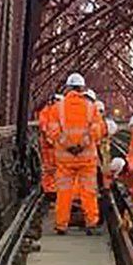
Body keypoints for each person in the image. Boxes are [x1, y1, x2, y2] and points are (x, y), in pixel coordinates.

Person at [47, 73, 104, 234]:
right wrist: (82, 145)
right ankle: (91, 223)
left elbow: (52, 131)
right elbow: (97, 130)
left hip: (65, 159)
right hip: (86, 158)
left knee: (64, 192)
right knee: (88, 191)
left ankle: (61, 225)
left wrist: (68, 146)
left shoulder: (57, 108)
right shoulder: (91, 107)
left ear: (68, 88)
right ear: (82, 88)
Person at [37, 93, 63, 196]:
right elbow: (44, 127)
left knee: (55, 167)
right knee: (49, 168)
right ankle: (49, 189)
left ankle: (54, 188)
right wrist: (49, 140)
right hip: (49, 146)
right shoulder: (47, 112)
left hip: (55, 145)